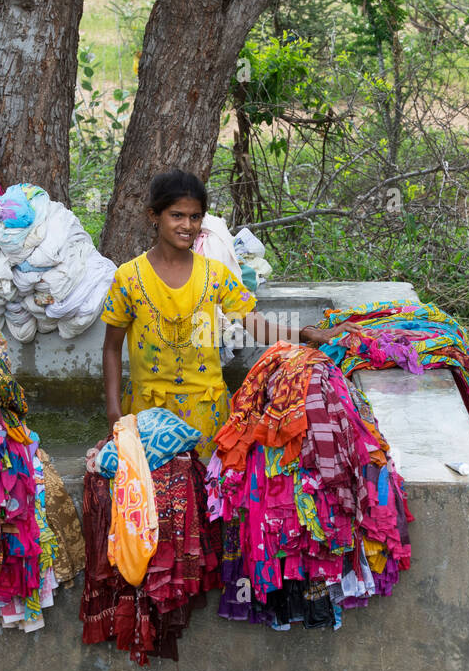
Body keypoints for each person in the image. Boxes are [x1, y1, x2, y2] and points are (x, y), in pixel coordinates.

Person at [101, 170, 340, 459]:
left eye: (195, 217)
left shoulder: (215, 274)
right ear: (154, 215)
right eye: (176, 215)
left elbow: (258, 328)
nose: (187, 225)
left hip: (207, 412)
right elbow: (111, 348)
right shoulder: (128, 277)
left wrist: (304, 334)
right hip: (148, 413)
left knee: (206, 496)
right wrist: (114, 413)